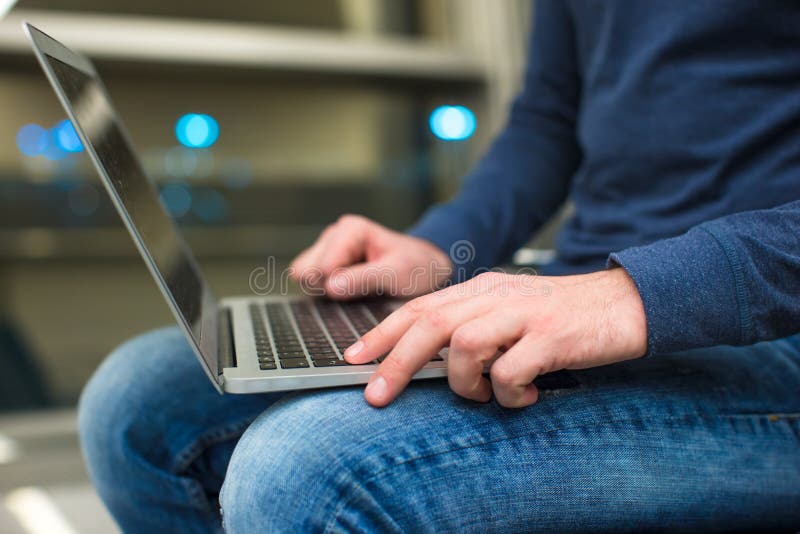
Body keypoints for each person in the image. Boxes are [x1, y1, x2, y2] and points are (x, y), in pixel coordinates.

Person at [78, 1, 800, 532]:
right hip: (587, 280)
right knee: (137, 405)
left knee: (305, 471)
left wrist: (634, 296)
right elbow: (548, 118)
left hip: (764, 330)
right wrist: (438, 247)